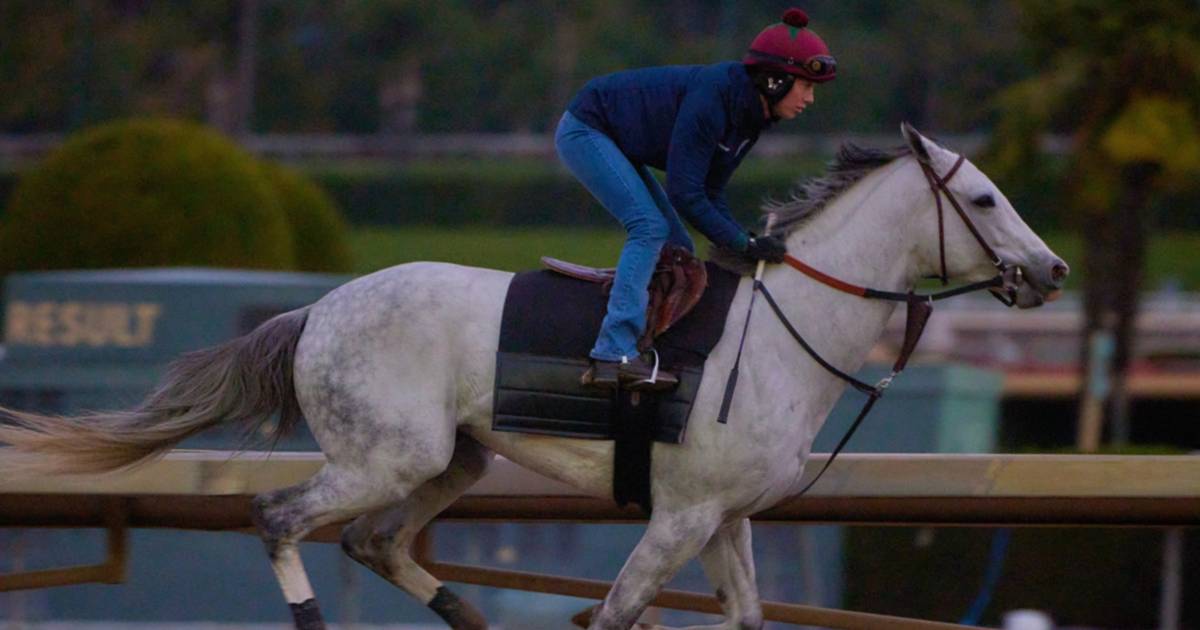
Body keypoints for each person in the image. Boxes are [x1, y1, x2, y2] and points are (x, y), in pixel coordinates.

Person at [556, 7, 837, 390]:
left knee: (679, 246)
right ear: (774, 81)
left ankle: (644, 347)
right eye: (805, 86)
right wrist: (743, 243)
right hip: (587, 128)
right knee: (650, 228)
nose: (810, 99)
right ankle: (612, 353)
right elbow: (686, 195)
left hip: (616, 140)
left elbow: (711, 193)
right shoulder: (714, 99)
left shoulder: (752, 116)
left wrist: (744, 240)